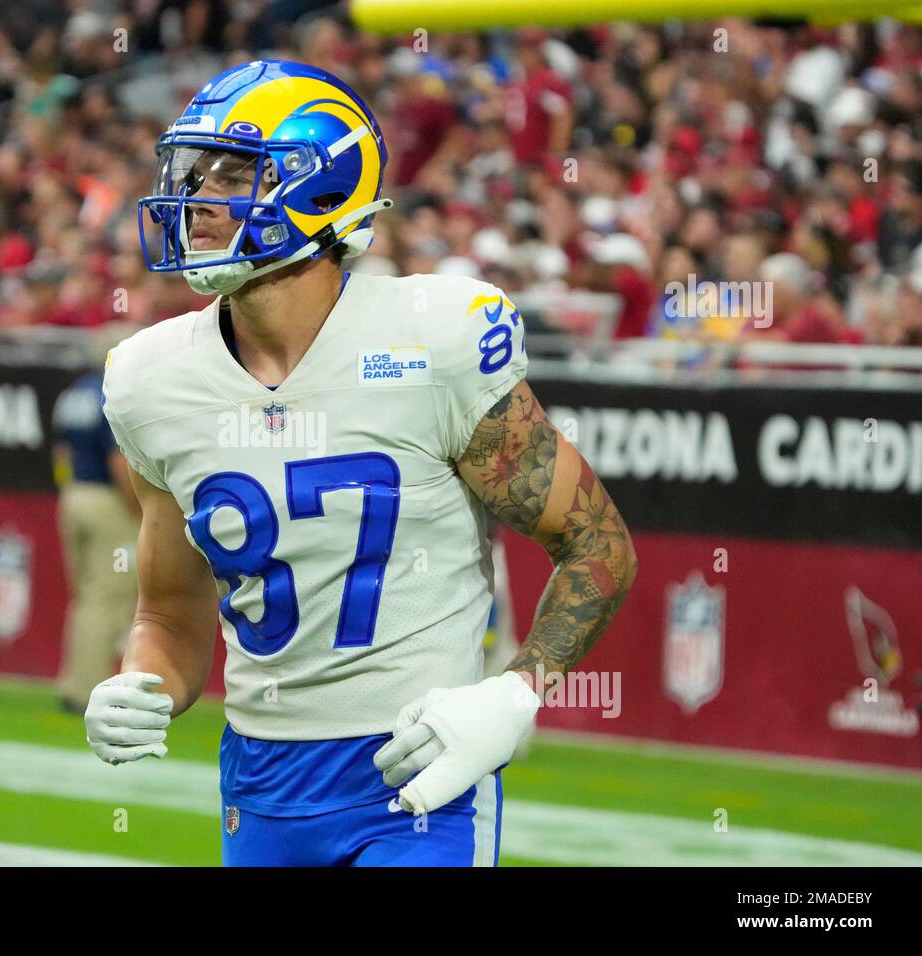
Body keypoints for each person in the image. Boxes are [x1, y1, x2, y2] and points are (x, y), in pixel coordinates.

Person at [85, 60, 638, 866]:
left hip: (419, 768)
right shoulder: (152, 379)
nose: (197, 199)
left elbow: (598, 545)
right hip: (260, 781)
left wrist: (515, 693)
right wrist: (140, 684)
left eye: (234, 174)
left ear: (319, 187)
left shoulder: (432, 339)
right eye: (194, 172)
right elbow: (170, 616)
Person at [51, 350, 141, 713]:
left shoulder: (72, 393)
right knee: (107, 596)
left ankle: (74, 681)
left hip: (74, 494)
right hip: (107, 498)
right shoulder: (113, 391)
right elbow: (118, 459)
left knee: (88, 596)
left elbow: (60, 453)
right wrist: (139, 509)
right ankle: (86, 691)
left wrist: (69, 491)